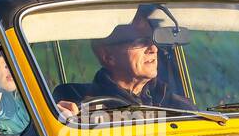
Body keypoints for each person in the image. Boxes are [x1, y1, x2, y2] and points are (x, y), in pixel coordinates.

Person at [55, 16, 196, 119]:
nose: (153, 48)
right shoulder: (75, 99)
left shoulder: (175, 104)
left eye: (153, 41)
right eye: (141, 42)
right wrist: (62, 116)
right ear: (107, 56)